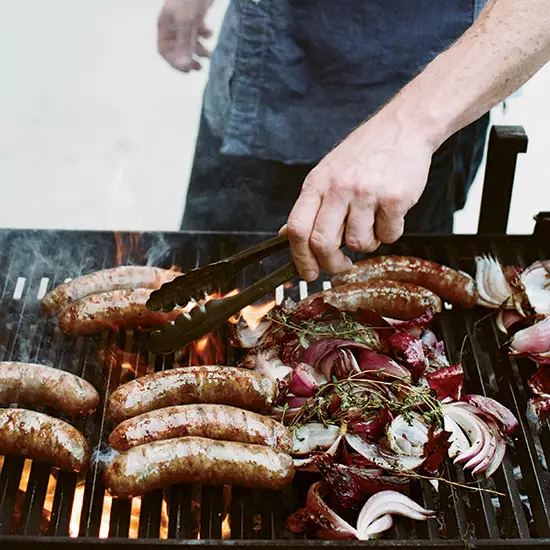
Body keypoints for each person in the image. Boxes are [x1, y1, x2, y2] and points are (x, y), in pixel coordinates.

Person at [158, 0, 550, 282]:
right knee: (202, 285)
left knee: (394, 330)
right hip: (254, 74)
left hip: (421, 109)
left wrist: (405, 131)